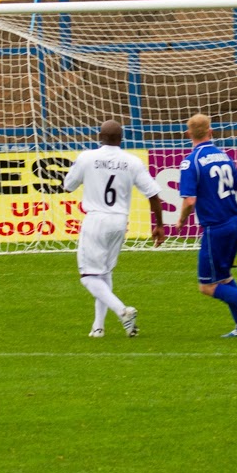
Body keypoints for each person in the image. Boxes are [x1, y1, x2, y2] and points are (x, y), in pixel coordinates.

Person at [62, 119, 165, 339]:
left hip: (96, 219)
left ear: (100, 136)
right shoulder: (132, 161)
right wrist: (159, 225)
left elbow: (67, 185)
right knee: (104, 273)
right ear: (121, 138)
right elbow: (153, 194)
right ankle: (98, 327)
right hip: (119, 221)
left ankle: (122, 311)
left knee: (88, 277)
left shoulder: (87, 158)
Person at [175, 113, 237, 338]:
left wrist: (181, 220)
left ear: (188, 134)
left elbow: (190, 200)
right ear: (211, 131)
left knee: (207, 286)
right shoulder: (223, 156)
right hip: (234, 224)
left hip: (215, 228)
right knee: (224, 277)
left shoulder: (191, 161)